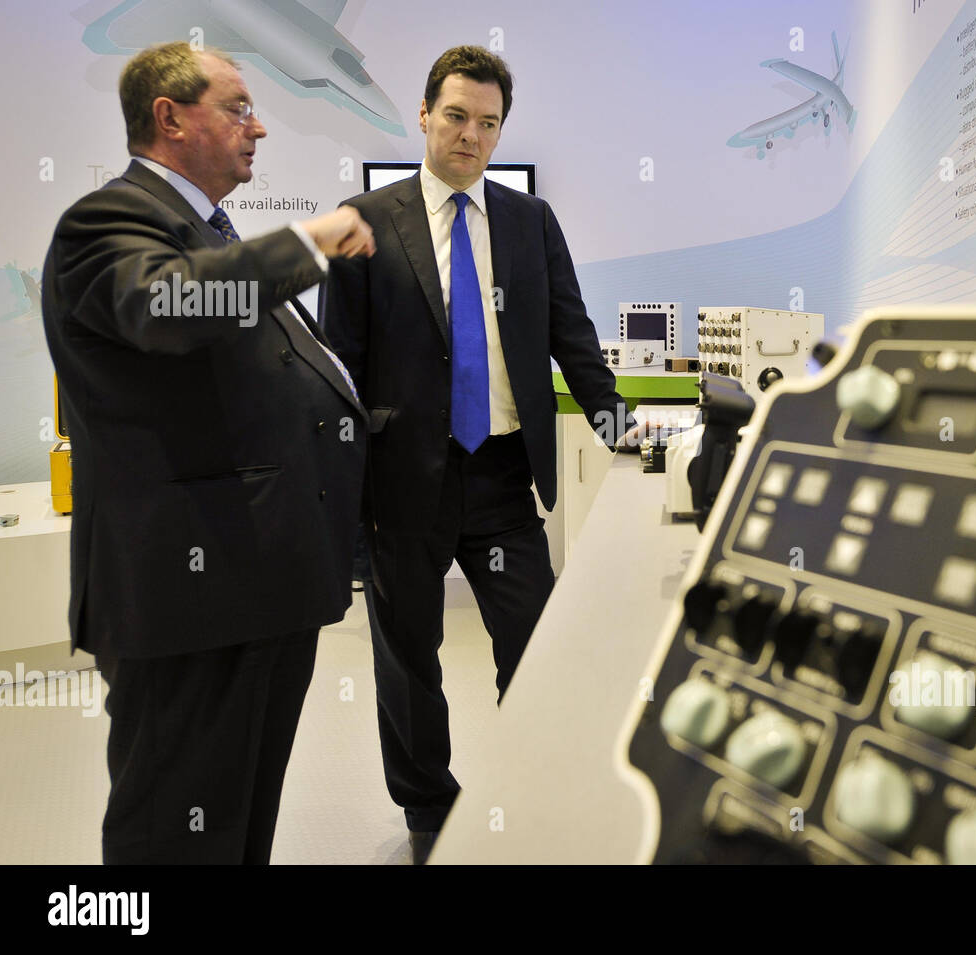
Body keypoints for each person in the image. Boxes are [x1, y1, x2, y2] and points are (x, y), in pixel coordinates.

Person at [41, 41, 376, 864]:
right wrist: (307, 244)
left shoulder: (206, 232)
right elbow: (174, 305)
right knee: (175, 833)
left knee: (235, 823)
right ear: (169, 117)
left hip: (255, 590)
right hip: (191, 601)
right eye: (237, 107)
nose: (258, 127)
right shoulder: (107, 222)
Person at [322, 45, 635, 863]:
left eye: (488, 123)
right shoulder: (366, 222)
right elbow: (340, 368)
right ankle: (429, 810)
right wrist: (347, 500)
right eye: (456, 116)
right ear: (424, 115)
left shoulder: (529, 223)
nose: (471, 135)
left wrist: (614, 420)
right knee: (408, 658)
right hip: (403, 481)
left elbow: (571, 332)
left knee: (535, 643)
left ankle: (535, 782)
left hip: (500, 472)